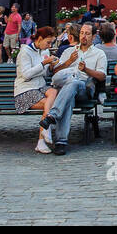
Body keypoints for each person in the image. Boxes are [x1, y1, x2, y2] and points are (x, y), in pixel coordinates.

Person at [39, 22, 106, 155]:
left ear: (93, 36)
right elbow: (55, 72)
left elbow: (102, 76)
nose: (83, 36)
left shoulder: (99, 53)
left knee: (74, 84)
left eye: (87, 34)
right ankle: (60, 142)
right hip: (66, 88)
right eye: (81, 33)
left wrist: (86, 69)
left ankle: (53, 116)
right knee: (69, 93)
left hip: (84, 87)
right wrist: (69, 61)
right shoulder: (69, 51)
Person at [14, 26, 59, 153]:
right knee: (48, 104)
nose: (49, 46)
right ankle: (42, 138)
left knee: (54, 92)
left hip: (39, 86)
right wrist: (44, 64)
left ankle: (45, 131)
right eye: (48, 42)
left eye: (51, 43)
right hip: (25, 90)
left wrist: (50, 66)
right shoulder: (25, 52)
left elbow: (43, 74)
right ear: (39, 39)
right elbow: (26, 74)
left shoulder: (44, 52)